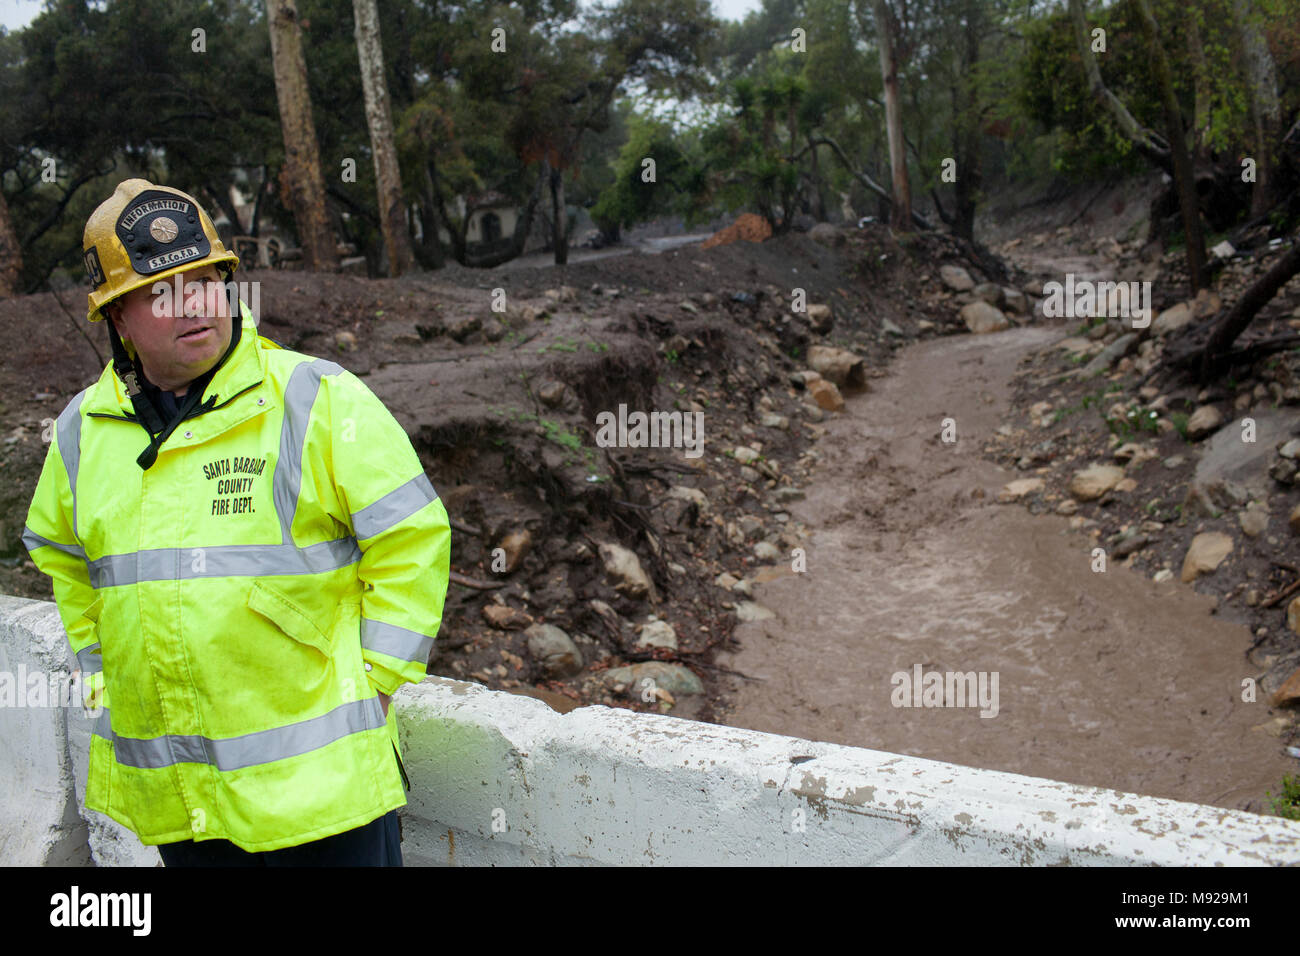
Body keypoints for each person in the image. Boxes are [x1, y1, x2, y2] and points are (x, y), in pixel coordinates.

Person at [22, 178, 451, 866]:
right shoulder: (82, 430)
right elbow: (63, 556)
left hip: (324, 798)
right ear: (118, 317)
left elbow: (412, 536)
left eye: (205, 281)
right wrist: (103, 672)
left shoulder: (316, 396)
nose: (192, 303)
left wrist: (375, 682)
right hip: (183, 804)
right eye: (162, 291)